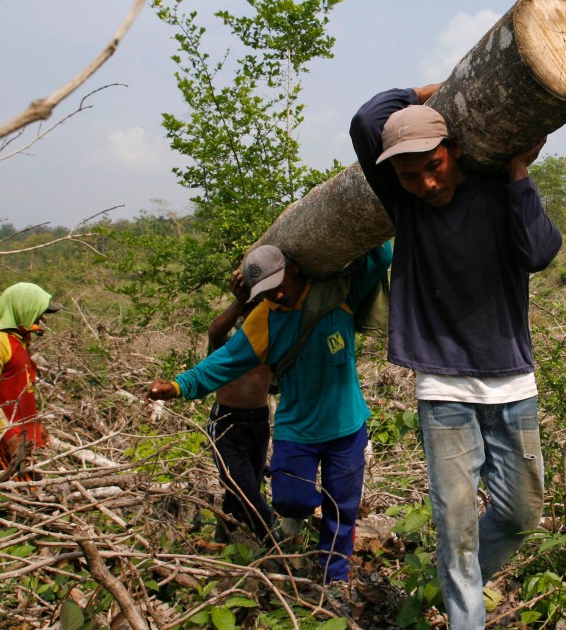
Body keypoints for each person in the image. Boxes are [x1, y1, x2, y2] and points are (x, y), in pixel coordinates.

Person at [350, 84, 562, 628]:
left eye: (434, 166)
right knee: (456, 526)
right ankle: (463, 605)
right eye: (409, 174)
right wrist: (429, 90)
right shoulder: (406, 203)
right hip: (443, 389)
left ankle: (450, 582)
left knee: (520, 515)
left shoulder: (498, 192)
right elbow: (367, 117)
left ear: (455, 150)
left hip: (513, 384)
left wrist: (519, 175)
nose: (425, 182)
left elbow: (539, 252)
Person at [146, 241, 393, 583]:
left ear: (293, 269)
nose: (275, 296)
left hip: (346, 427)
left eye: (278, 287)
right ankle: (297, 524)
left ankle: (333, 577)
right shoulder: (264, 319)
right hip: (297, 431)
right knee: (290, 500)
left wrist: (370, 216)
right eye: (265, 291)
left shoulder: (338, 294)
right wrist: (177, 386)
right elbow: (223, 360)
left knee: (342, 509)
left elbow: (381, 255)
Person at [0, 282, 61, 482]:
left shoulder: (18, 341)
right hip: (0, 444)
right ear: (22, 309)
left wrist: (36, 426)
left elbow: (21, 390)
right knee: (28, 503)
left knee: (32, 500)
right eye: (38, 312)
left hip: (19, 442)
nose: (41, 318)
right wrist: (9, 437)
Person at [204, 270, 276, 542]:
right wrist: (239, 302)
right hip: (226, 423)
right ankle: (273, 542)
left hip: (258, 422)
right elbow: (214, 331)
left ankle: (225, 538)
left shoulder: (273, 331)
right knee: (243, 487)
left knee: (246, 486)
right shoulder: (231, 335)